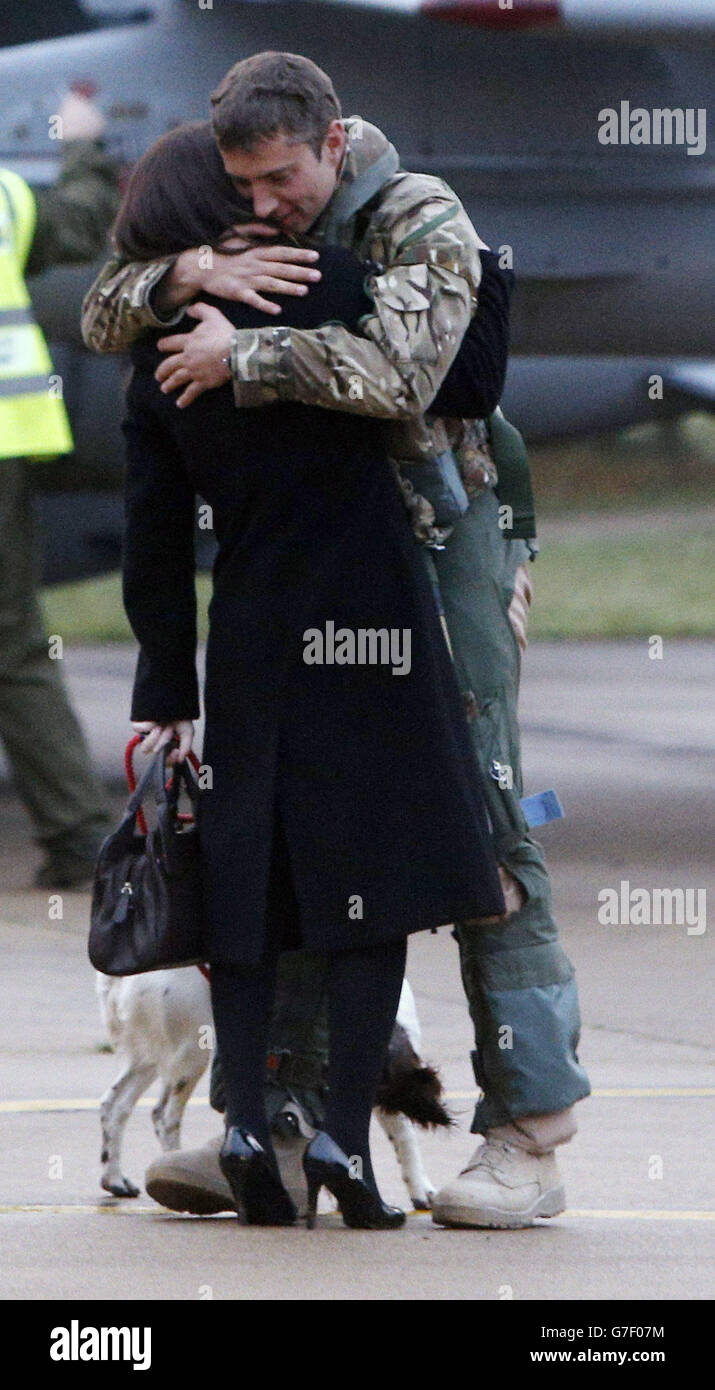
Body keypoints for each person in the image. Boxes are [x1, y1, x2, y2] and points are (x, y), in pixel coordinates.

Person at [81, 51, 590, 1228]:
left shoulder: (420, 216)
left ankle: (528, 1125)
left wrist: (235, 351)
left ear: (334, 138)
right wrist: (189, 273)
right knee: (304, 829)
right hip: (343, 561)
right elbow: (110, 302)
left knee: (484, 813)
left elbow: (400, 376)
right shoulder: (239, 229)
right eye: (241, 189)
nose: (263, 205)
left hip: (448, 536)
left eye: (278, 183)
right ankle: (295, 1118)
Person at [0, 90, 119, 889]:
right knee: (14, 644)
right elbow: (82, 219)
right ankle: (79, 839)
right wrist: (83, 143)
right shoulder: (5, 196)